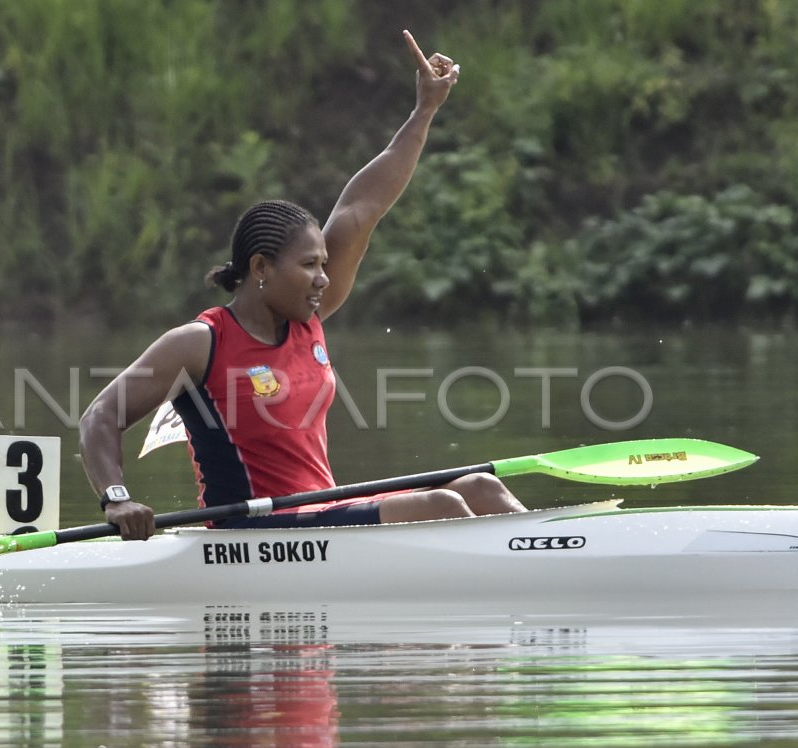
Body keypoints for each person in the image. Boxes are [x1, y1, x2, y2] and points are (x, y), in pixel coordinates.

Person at [80, 30, 525, 541]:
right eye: (310, 265)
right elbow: (100, 417)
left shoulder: (307, 318)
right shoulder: (199, 343)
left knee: (481, 488)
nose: (324, 278)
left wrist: (424, 110)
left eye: (323, 265)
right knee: (442, 504)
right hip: (254, 531)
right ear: (262, 268)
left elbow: (362, 207)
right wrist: (117, 500)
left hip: (321, 511)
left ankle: (554, 565)